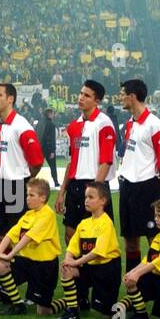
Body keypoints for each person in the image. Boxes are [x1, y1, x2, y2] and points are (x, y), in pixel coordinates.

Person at [116, 78, 160, 273]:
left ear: (133, 96)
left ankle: (158, 289)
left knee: (154, 240)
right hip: (127, 186)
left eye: (122, 94)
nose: (120, 97)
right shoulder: (129, 123)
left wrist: (157, 190)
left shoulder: (154, 125)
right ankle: (135, 285)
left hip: (147, 187)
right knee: (130, 241)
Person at [0, 177, 62, 315]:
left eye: (31, 195)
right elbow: (10, 235)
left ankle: (70, 301)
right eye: (27, 195)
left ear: (43, 198)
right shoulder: (28, 214)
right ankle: (18, 305)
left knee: (43, 311)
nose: (27, 198)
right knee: (1, 265)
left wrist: (10, 255)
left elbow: (28, 237)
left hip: (44, 266)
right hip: (27, 262)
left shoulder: (47, 214)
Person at [0, 83, 43, 256]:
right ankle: (6, 276)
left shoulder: (22, 126)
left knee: (18, 234)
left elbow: (37, 161)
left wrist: (24, 179)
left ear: (10, 99)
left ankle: (19, 272)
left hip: (18, 185)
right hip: (0, 185)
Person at [57, 81, 117, 241]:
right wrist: (62, 192)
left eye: (87, 95)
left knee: (95, 236)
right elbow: (71, 162)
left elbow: (106, 161)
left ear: (97, 101)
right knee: (70, 235)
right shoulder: (74, 126)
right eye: (81, 93)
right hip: (75, 186)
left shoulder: (104, 124)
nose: (81, 98)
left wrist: (95, 191)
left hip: (95, 184)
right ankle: (73, 266)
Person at [55, 180, 121, 319]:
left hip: (107, 270)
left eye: (91, 197)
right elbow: (72, 246)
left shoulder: (106, 223)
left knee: (108, 315)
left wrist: (76, 262)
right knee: (67, 270)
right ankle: (73, 310)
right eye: (86, 197)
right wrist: (68, 259)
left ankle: (130, 304)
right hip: (89, 267)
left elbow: (97, 252)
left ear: (103, 201)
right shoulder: (84, 223)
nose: (86, 200)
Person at [39, 108, 58, 185]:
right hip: (48, 149)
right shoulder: (51, 124)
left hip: (39, 147)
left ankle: (30, 180)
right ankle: (56, 182)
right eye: (53, 113)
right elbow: (52, 138)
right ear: (49, 114)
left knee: (36, 166)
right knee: (53, 166)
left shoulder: (39, 123)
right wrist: (52, 151)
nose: (53, 115)